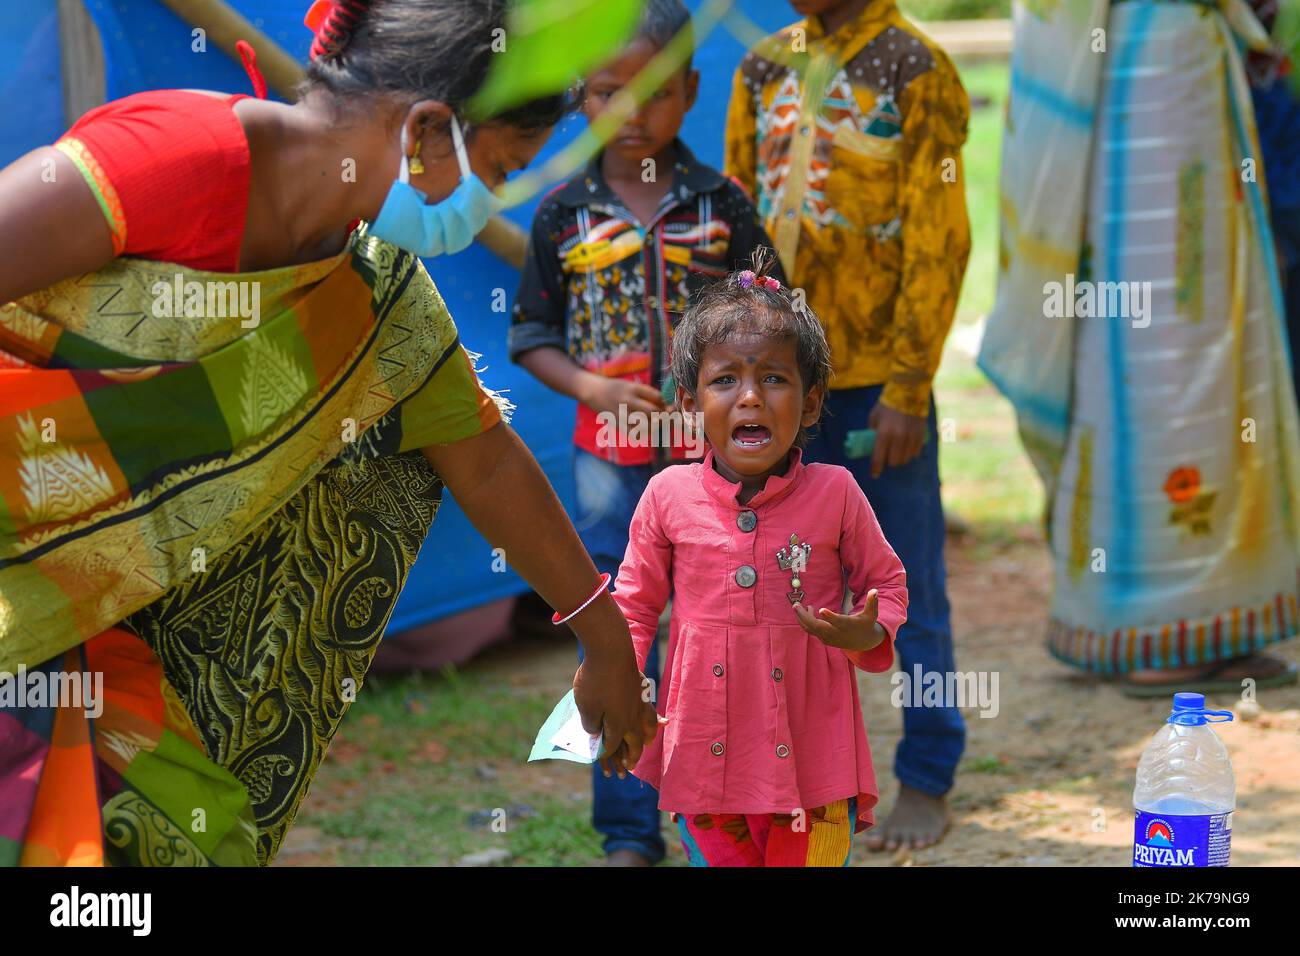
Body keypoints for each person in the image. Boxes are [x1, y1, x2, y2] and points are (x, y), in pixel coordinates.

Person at [0, 0, 657, 867]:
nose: (485, 203)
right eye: (496, 169)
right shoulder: (171, 159)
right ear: (426, 132)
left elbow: (486, 459)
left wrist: (603, 634)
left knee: (148, 832)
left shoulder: (375, 296)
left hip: (94, 616)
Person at [509, 0, 781, 866]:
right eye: (604, 93)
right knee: (620, 637)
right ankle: (628, 829)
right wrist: (592, 385)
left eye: (654, 94)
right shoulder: (560, 215)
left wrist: (733, 395)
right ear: (580, 99)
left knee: (724, 632)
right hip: (609, 468)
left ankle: (723, 819)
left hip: (712, 474)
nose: (630, 115)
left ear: (692, 91)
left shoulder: (724, 207)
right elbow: (530, 335)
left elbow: (773, 315)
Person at [978, 0, 1300, 699]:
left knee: (1204, 339)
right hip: (1150, 75)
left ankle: (1212, 623)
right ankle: (1158, 626)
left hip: (1180, 68)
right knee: (1163, 344)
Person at [723, 0, 971, 851]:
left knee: (907, 588)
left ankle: (928, 773)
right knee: (779, 589)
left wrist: (909, 383)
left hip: (878, 392)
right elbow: (738, 231)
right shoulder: (761, 69)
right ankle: (800, 781)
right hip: (778, 389)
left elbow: (941, 241)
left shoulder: (916, 68)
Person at [611, 251, 908, 867]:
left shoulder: (836, 493)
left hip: (815, 767)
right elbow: (634, 606)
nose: (749, 398)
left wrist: (869, 627)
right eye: (725, 381)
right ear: (690, 402)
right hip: (703, 760)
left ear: (812, 400)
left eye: (774, 378)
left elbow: (887, 581)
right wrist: (618, 680)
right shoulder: (667, 495)